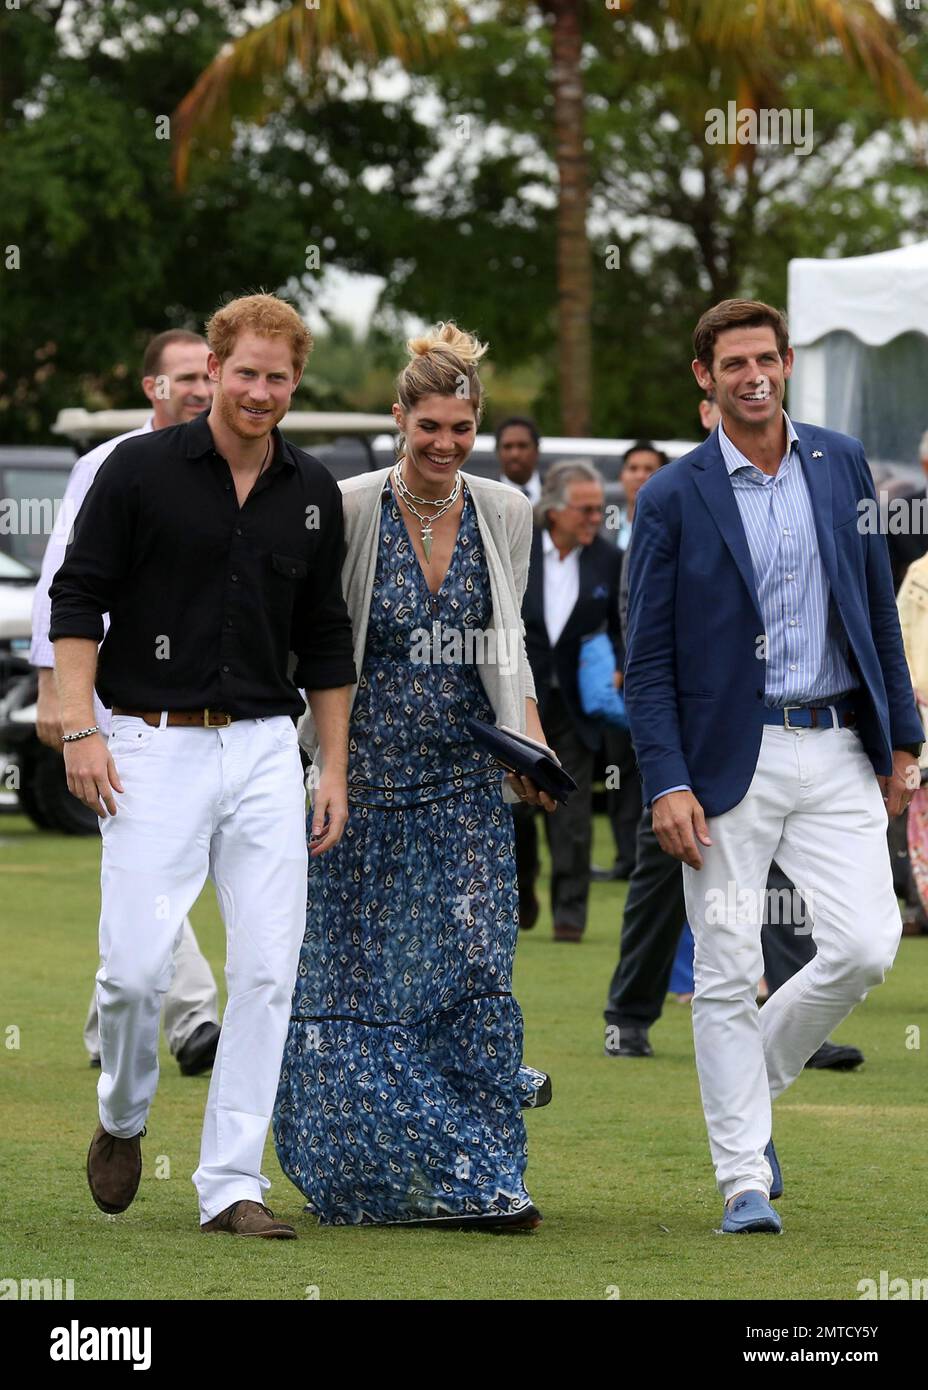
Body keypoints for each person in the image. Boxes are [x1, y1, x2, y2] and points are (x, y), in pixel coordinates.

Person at [49, 292, 356, 1238]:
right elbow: (76, 598)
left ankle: (230, 1183)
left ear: (295, 381)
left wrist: (332, 767)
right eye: (246, 372)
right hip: (147, 743)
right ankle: (123, 1117)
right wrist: (78, 728)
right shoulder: (136, 470)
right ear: (211, 370)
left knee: (268, 973)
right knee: (136, 974)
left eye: (279, 377)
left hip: (267, 747)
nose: (260, 391)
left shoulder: (313, 491)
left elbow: (327, 637)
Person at [624, 298, 922, 1235]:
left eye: (767, 357)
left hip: (835, 743)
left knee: (868, 945)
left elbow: (877, 610)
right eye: (733, 362)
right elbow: (650, 657)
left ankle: (751, 1086)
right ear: (704, 379)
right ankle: (743, 1178)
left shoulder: (842, 465)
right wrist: (665, 780)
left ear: (787, 362)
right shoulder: (670, 496)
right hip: (722, 760)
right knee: (723, 969)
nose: (753, 375)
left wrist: (902, 739)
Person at [274, 323, 555, 1230]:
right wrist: (333, 774)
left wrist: (532, 749)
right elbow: (321, 650)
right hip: (359, 778)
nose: (443, 444)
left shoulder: (505, 513)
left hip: (467, 785)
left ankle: (483, 1178)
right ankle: (359, 1181)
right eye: (427, 425)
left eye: (460, 428)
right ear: (399, 417)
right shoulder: (349, 505)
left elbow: (511, 652)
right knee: (353, 981)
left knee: (471, 973)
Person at [604, 394, 865, 1073]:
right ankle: (628, 1013)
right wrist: (665, 760)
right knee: (661, 878)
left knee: (784, 883)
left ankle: (787, 1012)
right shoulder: (676, 497)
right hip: (691, 739)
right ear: (704, 403)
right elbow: (644, 629)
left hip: (784, 734)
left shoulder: (799, 483)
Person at [31, 330, 222, 1076]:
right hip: (111, 701)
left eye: (206, 374)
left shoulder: (229, 461)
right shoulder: (102, 465)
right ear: (153, 387)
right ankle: (197, 1015)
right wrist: (56, 691)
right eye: (184, 377)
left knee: (142, 865)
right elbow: (63, 580)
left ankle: (105, 1033)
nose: (200, 389)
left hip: (196, 704)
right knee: (148, 857)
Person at [515, 460, 622, 940]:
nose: (596, 518)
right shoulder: (518, 552)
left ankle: (570, 918)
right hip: (518, 702)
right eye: (586, 509)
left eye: (600, 509)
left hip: (579, 705)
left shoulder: (609, 560)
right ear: (554, 511)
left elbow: (625, 627)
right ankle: (521, 892)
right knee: (515, 811)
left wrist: (620, 665)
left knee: (573, 815)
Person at [592, 441, 666, 882]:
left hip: (655, 669)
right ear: (622, 477)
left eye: (649, 468)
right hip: (617, 674)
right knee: (618, 769)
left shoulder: (674, 526)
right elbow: (608, 611)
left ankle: (654, 855)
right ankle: (626, 857)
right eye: (633, 468)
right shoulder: (607, 534)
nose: (640, 475)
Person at [496, 416, 542, 504]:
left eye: (522, 446)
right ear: (498, 451)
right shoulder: (484, 497)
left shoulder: (557, 494)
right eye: (507, 446)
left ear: (536, 450)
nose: (515, 454)